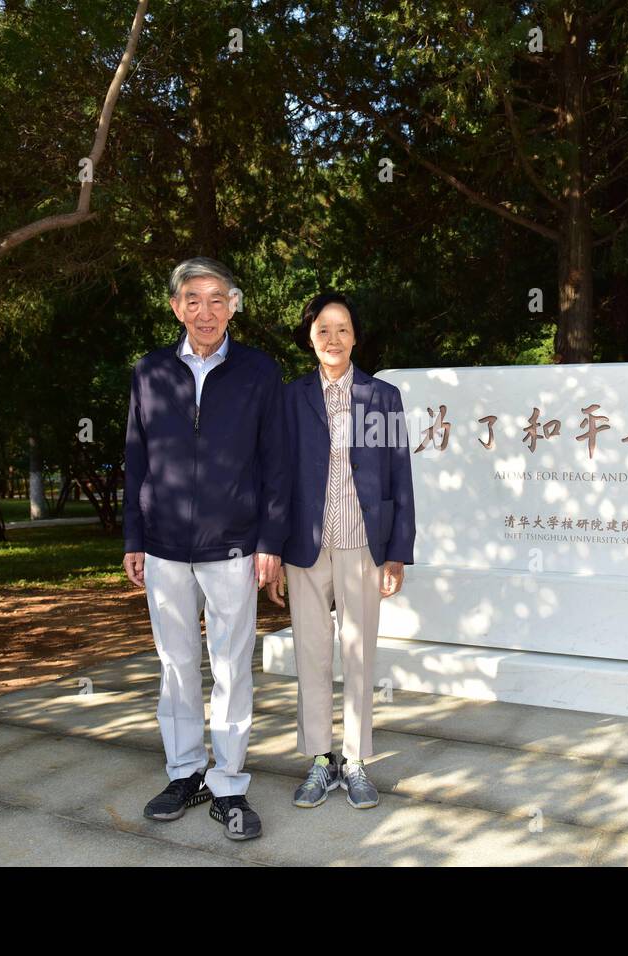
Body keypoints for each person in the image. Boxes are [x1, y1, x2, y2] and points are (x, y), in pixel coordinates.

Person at [123, 256, 288, 841]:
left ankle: (228, 780)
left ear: (233, 306)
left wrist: (270, 541)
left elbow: (277, 464)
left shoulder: (259, 372)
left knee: (231, 668)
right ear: (176, 307)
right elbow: (136, 459)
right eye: (193, 298)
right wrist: (133, 538)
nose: (206, 310)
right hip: (164, 546)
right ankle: (184, 771)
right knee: (174, 666)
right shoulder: (149, 372)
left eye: (217, 298)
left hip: (234, 548)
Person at [267, 292, 415, 810]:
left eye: (343, 329)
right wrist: (273, 548)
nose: (333, 338)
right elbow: (277, 477)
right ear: (311, 337)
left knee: (358, 654)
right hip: (305, 547)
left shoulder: (384, 396)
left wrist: (397, 551)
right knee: (310, 653)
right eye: (323, 330)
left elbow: (400, 473)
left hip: (363, 546)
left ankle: (353, 761)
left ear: (356, 336)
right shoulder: (291, 398)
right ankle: (318, 760)